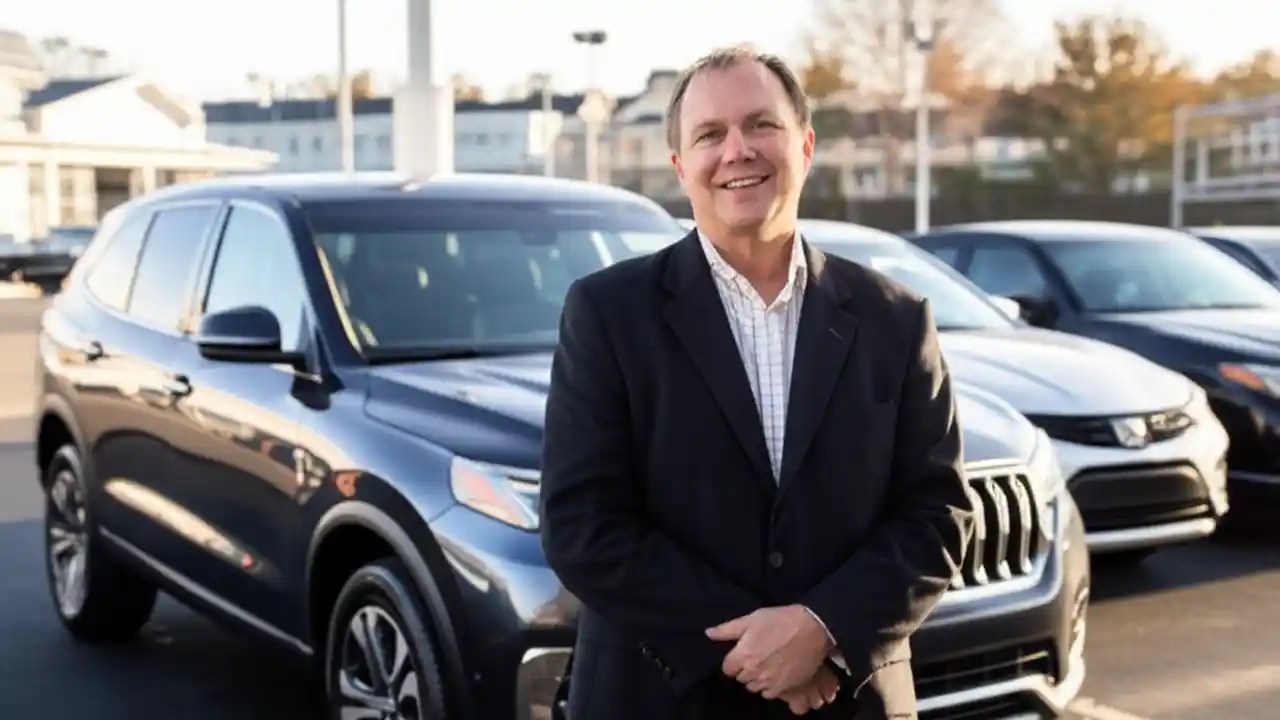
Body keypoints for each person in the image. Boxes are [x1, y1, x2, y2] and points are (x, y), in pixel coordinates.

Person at [540, 44, 975, 719]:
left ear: (805, 144)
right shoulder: (607, 314)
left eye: (760, 125)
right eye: (710, 135)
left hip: (850, 698)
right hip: (662, 695)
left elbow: (937, 516)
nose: (737, 150)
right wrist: (763, 646)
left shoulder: (896, 320)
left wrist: (823, 630)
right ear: (681, 166)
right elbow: (582, 525)